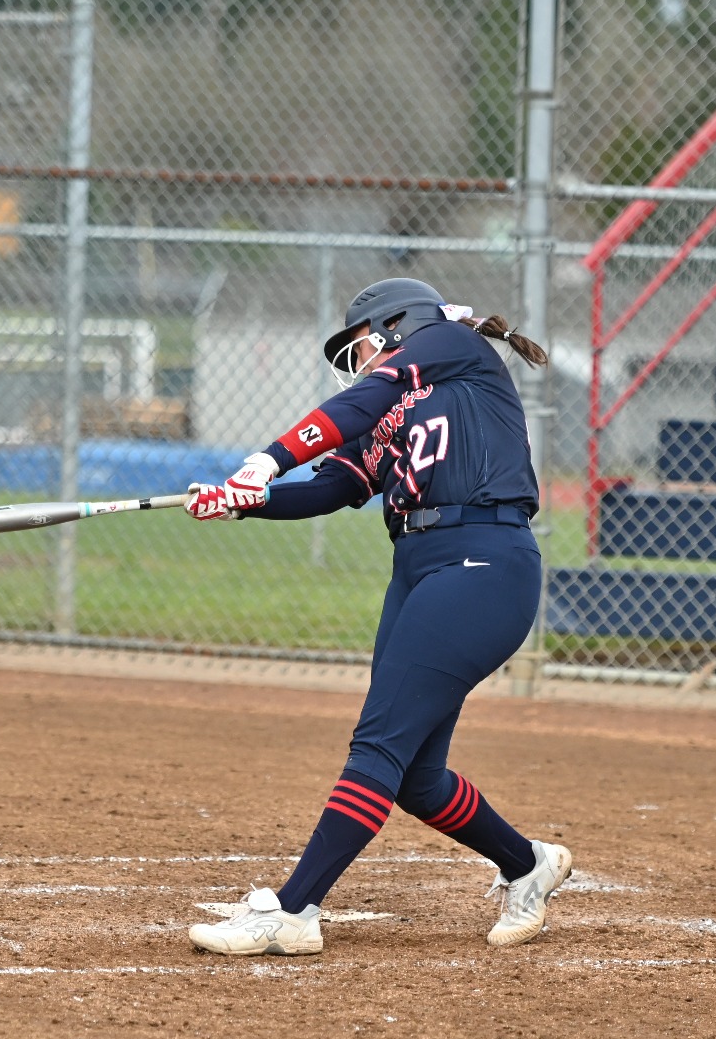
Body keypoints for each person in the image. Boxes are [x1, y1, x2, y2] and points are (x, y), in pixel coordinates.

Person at [180, 278, 570, 956]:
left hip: (482, 560)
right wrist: (245, 502)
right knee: (417, 778)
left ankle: (295, 911)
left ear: (396, 326)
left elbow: (361, 399)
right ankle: (527, 863)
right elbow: (334, 487)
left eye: (361, 344)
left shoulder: (451, 346)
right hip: (419, 568)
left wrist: (268, 459)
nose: (358, 362)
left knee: (379, 745)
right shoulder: (390, 409)